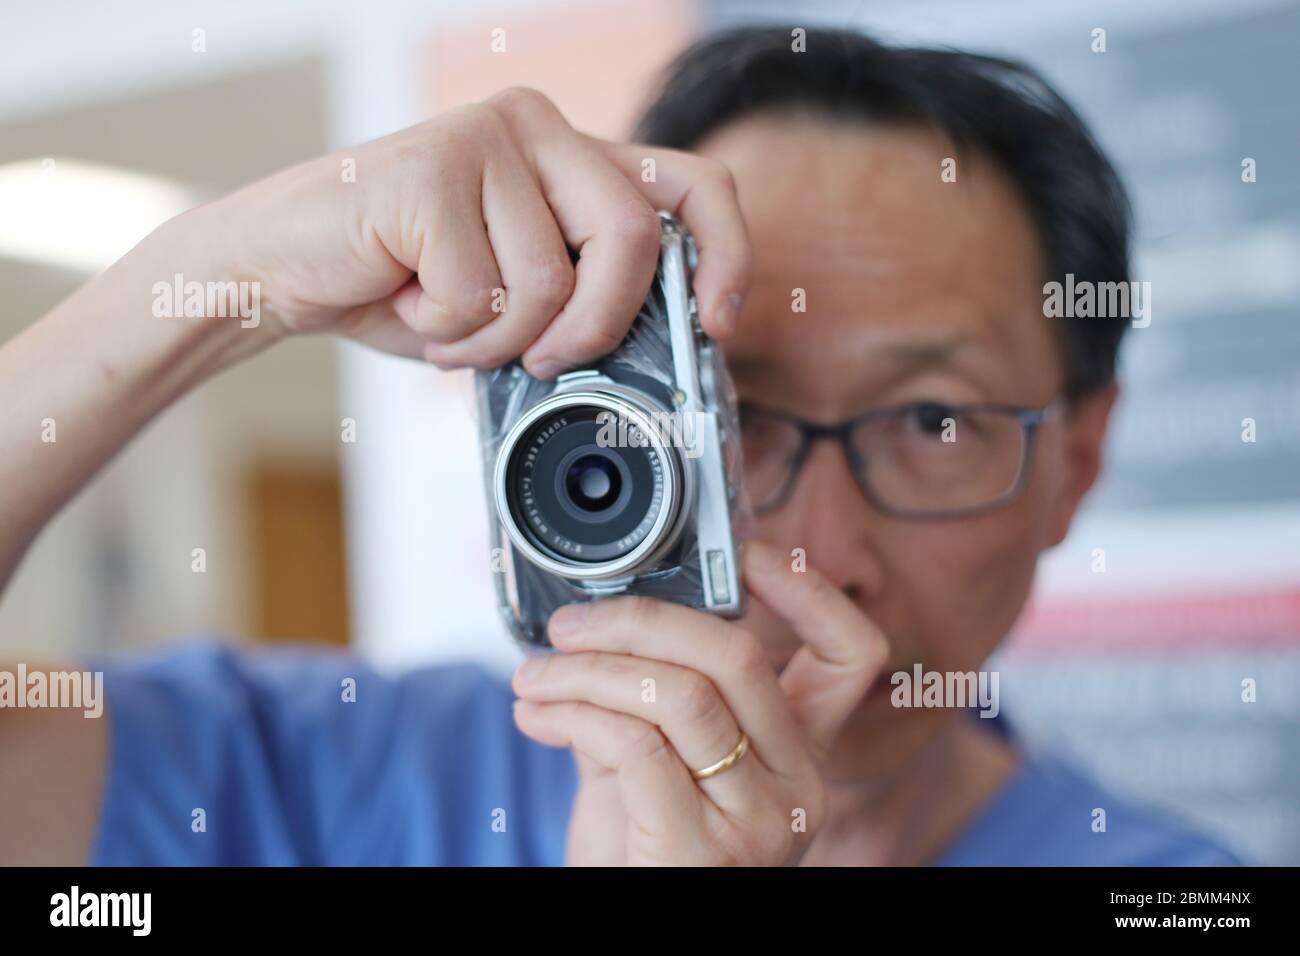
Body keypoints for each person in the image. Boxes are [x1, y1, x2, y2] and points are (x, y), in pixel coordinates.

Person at [0, 26, 1239, 866]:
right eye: (729, 411)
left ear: (1075, 461)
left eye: (934, 421)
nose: (822, 556)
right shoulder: (343, 777)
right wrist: (216, 283)